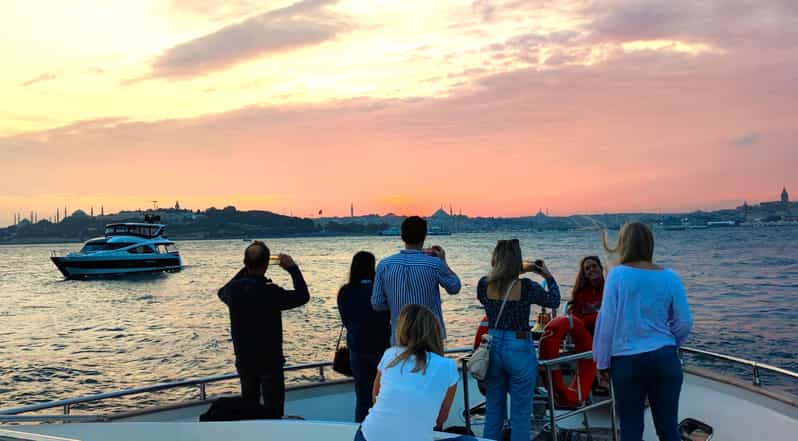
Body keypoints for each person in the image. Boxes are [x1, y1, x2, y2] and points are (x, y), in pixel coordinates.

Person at [593, 222, 692, 441]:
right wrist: (668, 344)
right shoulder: (670, 277)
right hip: (665, 358)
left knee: (631, 428)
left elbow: (607, 322)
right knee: (668, 429)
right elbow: (684, 322)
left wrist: (601, 362)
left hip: (627, 361)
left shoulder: (617, 276)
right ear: (650, 244)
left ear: (623, 245)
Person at [477, 239, 561, 441]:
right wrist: (545, 274)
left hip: (493, 346)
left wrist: (515, 270)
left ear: (495, 258)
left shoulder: (483, 284)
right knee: (521, 415)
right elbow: (554, 301)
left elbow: (501, 282)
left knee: (494, 413)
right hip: (519, 346)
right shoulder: (527, 287)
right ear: (518, 261)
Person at [218, 241, 310, 417]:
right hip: (270, 360)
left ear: (245, 263)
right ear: (267, 264)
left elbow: (221, 291)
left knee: (248, 409)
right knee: (274, 411)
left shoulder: (233, 291)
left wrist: (246, 269)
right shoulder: (271, 292)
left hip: (244, 359)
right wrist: (293, 269)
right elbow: (302, 296)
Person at [355, 304, 459, 441]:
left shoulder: (390, 355)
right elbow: (441, 417)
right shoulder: (448, 366)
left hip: (368, 436)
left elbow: (375, 396)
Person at [371, 216, 461, 341]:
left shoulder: (384, 265)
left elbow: (377, 303)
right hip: (429, 337)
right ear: (424, 237)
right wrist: (443, 261)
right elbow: (455, 287)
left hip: (400, 336)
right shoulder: (434, 264)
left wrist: (396, 303)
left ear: (402, 236)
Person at [337, 251, 391, 423]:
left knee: (362, 399)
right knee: (383, 396)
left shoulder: (345, 291)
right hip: (381, 347)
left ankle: (361, 432)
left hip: (357, 349)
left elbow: (346, 320)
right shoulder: (381, 290)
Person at [566, 256, 605, 334]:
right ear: (585, 274)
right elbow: (576, 319)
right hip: (585, 334)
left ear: (601, 268)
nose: (591, 269)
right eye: (587, 268)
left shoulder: (609, 290)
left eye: (594, 266)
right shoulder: (580, 293)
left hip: (605, 333)